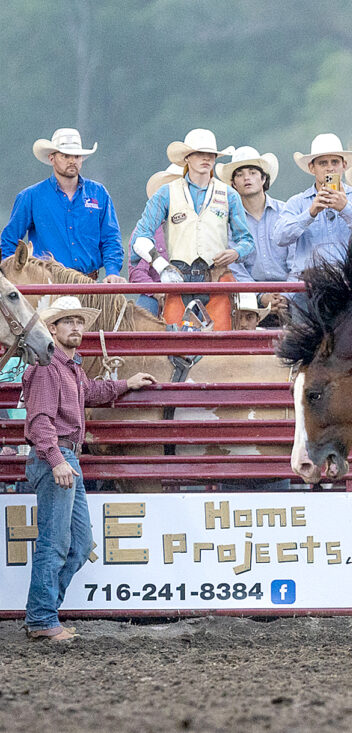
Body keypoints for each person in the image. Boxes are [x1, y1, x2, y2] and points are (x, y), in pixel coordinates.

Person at [23, 296, 156, 641]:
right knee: (56, 543)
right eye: (68, 321)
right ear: (51, 329)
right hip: (58, 459)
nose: (77, 328)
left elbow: (92, 392)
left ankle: (44, 612)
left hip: (68, 459)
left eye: (80, 322)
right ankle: (42, 618)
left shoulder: (72, 368)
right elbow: (39, 421)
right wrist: (56, 460)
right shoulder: (46, 366)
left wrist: (126, 383)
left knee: (79, 545)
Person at [132, 129, 255, 331]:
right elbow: (140, 237)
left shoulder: (229, 194)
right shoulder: (166, 193)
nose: (206, 158)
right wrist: (163, 267)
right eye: (199, 153)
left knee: (220, 340)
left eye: (211, 154)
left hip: (215, 276)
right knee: (174, 344)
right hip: (178, 277)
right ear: (187, 157)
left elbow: (247, 241)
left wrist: (235, 252)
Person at [1, 128, 125, 282]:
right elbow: (9, 239)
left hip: (89, 283)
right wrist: (11, 276)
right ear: (52, 158)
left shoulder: (99, 193)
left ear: (82, 159)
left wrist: (112, 272)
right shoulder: (30, 196)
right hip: (47, 284)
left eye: (77, 156)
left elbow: (111, 238)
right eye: (65, 156)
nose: (72, 161)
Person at [273, 133, 352, 279]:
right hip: (310, 281)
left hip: (351, 280)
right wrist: (310, 213)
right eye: (323, 163)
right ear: (312, 168)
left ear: (344, 166)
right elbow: (279, 238)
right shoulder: (297, 202)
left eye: (335, 162)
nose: (330, 168)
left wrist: (346, 208)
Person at [217, 146, 290, 322]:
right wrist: (260, 296)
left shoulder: (286, 212)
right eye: (240, 174)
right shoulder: (227, 222)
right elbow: (234, 268)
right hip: (248, 299)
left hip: (291, 294)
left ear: (263, 178)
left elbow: (297, 258)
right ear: (233, 183)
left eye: (252, 172)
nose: (246, 178)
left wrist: (287, 294)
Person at [129, 164, 184, 316]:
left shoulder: (198, 229)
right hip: (157, 293)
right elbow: (137, 272)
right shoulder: (147, 231)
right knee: (141, 318)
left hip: (192, 290)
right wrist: (157, 292)